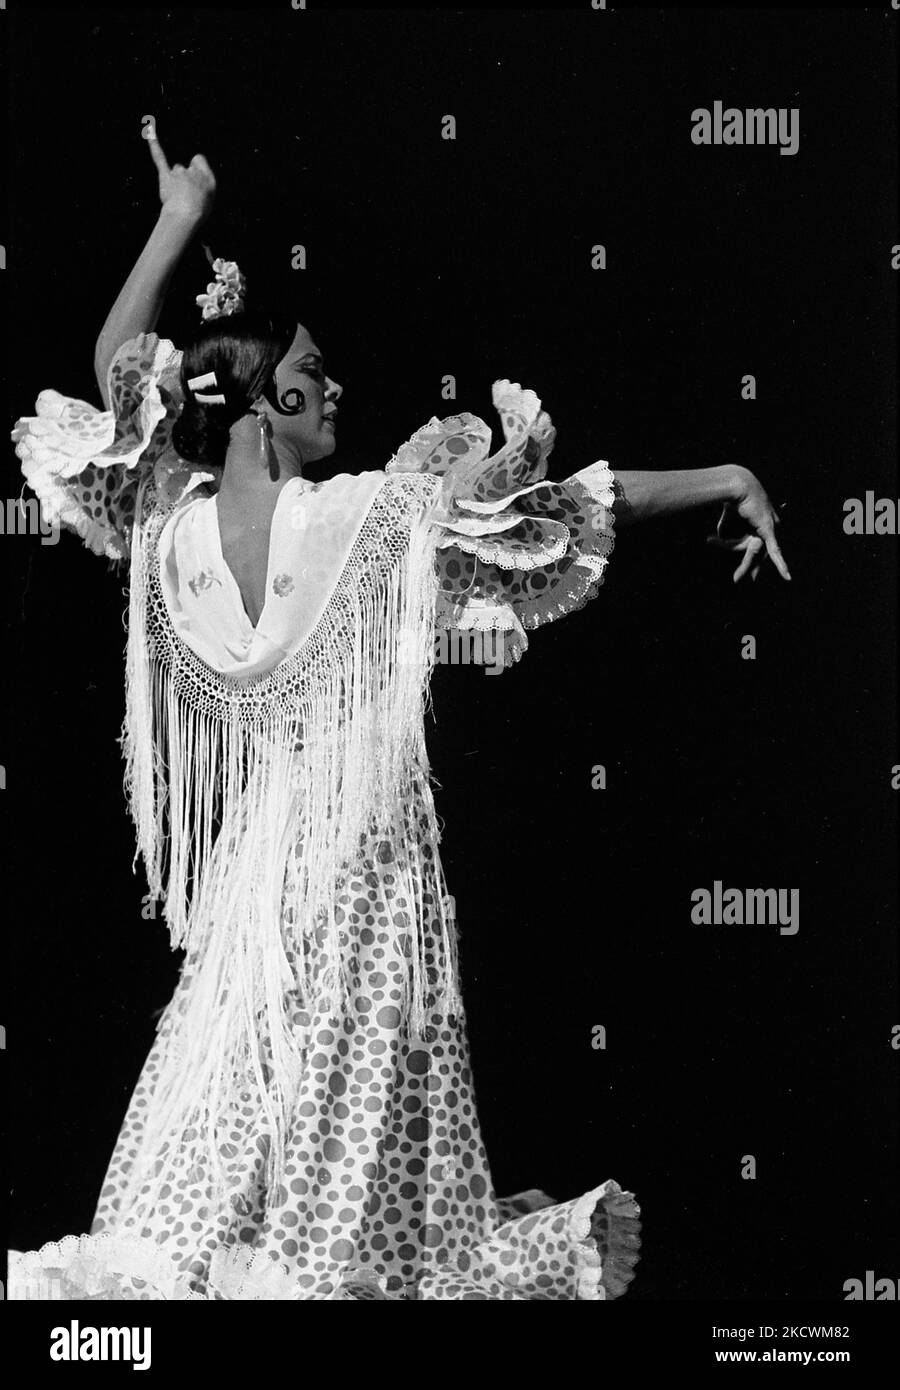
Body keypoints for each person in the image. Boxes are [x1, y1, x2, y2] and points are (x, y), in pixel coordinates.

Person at [8, 125, 790, 1303]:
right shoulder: (358, 522)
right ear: (268, 401)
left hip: (258, 879)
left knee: (241, 1099)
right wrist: (727, 478)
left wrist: (176, 220)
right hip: (365, 864)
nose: (337, 390)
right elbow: (560, 509)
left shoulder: (173, 529)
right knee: (347, 1108)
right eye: (314, 374)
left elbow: (120, 364)